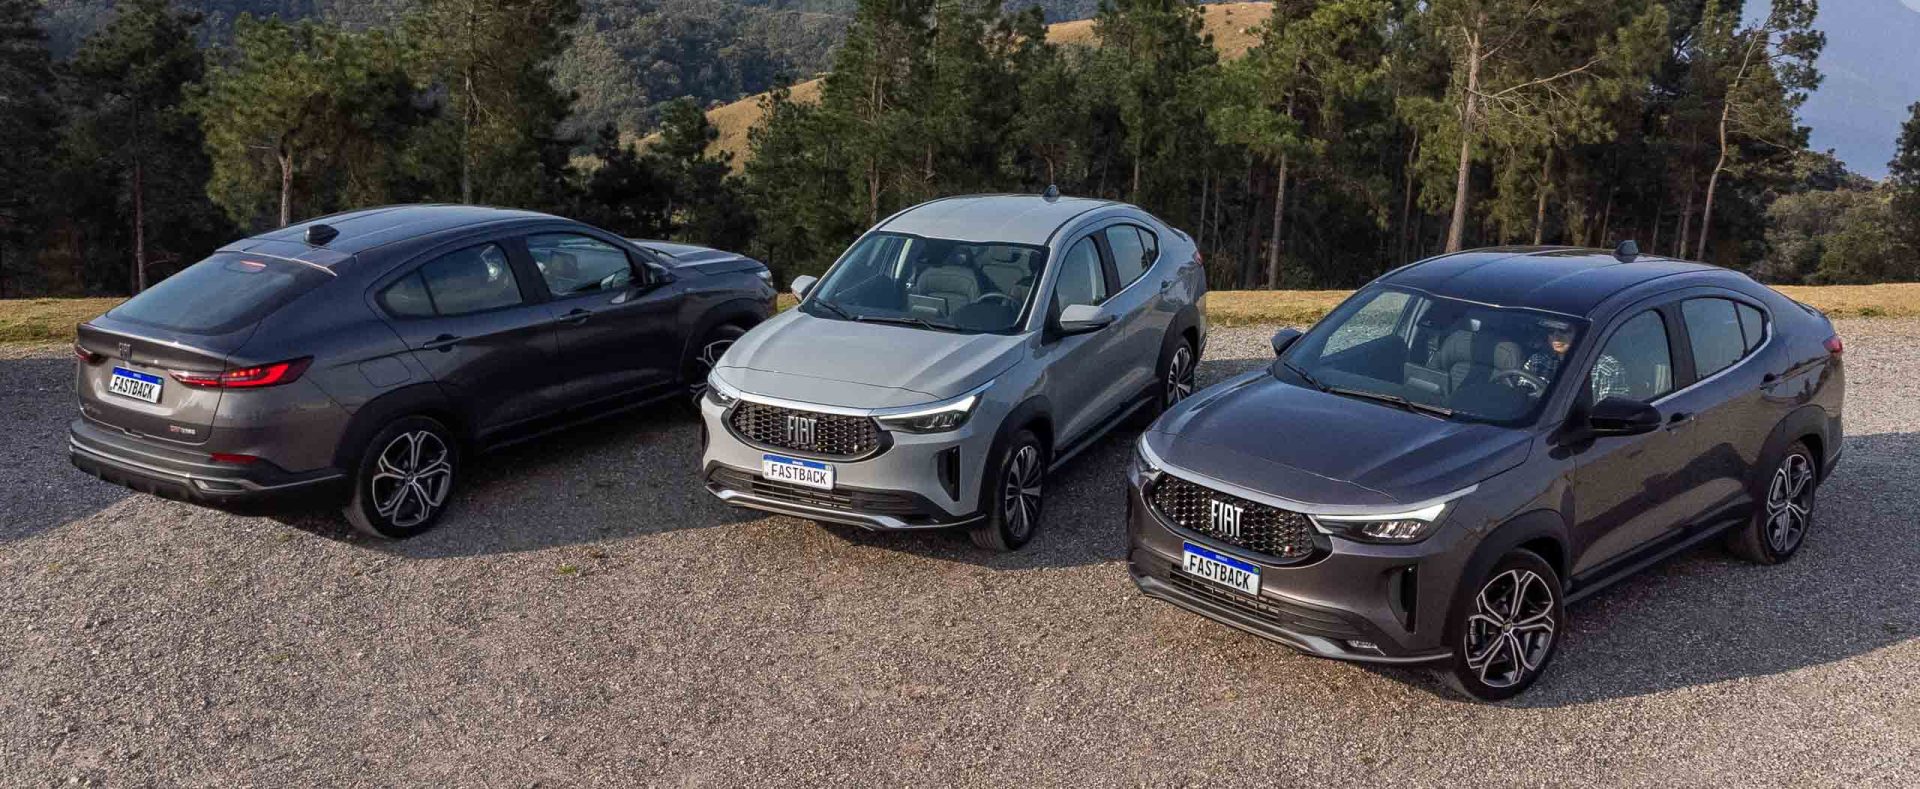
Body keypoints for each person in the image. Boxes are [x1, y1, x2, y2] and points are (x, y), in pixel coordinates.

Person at [1524, 325, 1630, 401]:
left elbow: (1609, 415)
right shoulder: (1537, 361)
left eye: (1564, 330)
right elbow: (1521, 396)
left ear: (1582, 334)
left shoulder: (1607, 368)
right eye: (1551, 331)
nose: (1556, 337)